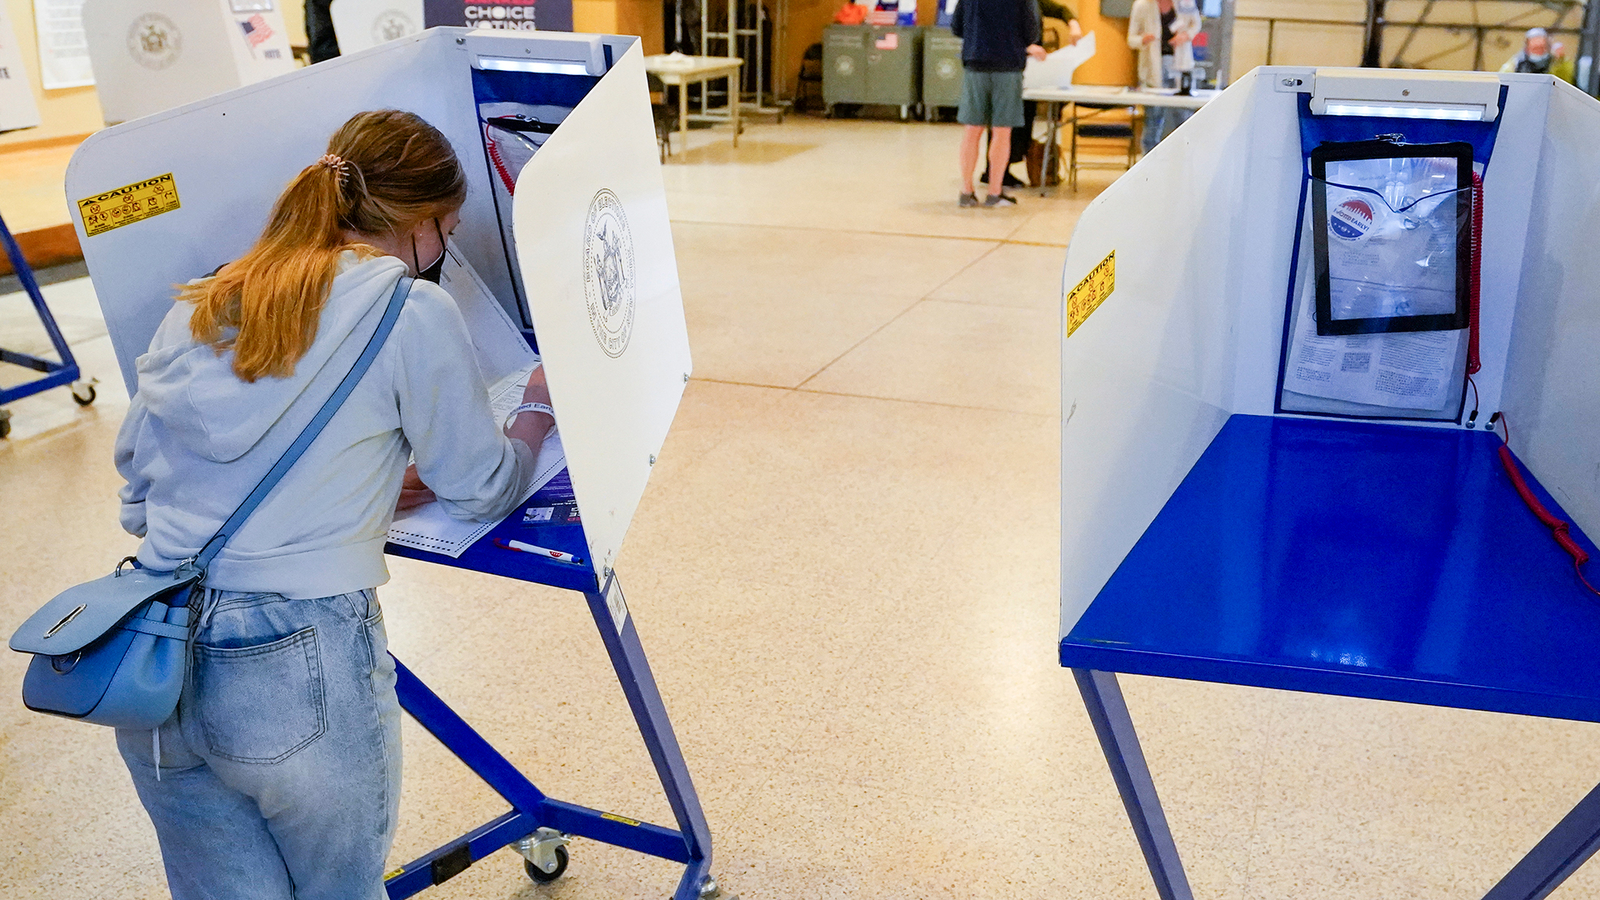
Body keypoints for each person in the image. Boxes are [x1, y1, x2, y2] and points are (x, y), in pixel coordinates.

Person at [112, 109, 555, 900]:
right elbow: (482, 486)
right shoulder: (408, 311)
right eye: (447, 229)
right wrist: (535, 411)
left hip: (152, 660)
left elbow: (139, 493)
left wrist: (345, 480)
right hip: (294, 660)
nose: (445, 249)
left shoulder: (206, 298)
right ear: (421, 225)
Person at [952, 0, 1049, 207]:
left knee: (972, 130)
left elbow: (957, 26)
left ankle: (966, 191)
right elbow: (1031, 31)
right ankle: (994, 193)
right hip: (1008, 65)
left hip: (975, 62)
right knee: (1002, 131)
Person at [1128, 0, 1201, 155]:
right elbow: (1131, 39)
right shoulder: (1142, 6)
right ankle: (1149, 168)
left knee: (1184, 120)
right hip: (1152, 71)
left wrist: (1185, 36)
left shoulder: (1186, 3)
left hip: (1180, 68)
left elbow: (1196, 25)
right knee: (1153, 122)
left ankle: (1185, 164)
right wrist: (1143, 39)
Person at [1500, 27, 1575, 84]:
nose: (1539, 52)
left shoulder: (1557, 62)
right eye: (1535, 48)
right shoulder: (1516, 64)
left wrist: (1560, 61)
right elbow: (1502, 80)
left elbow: (1567, 82)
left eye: (1542, 48)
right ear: (1527, 48)